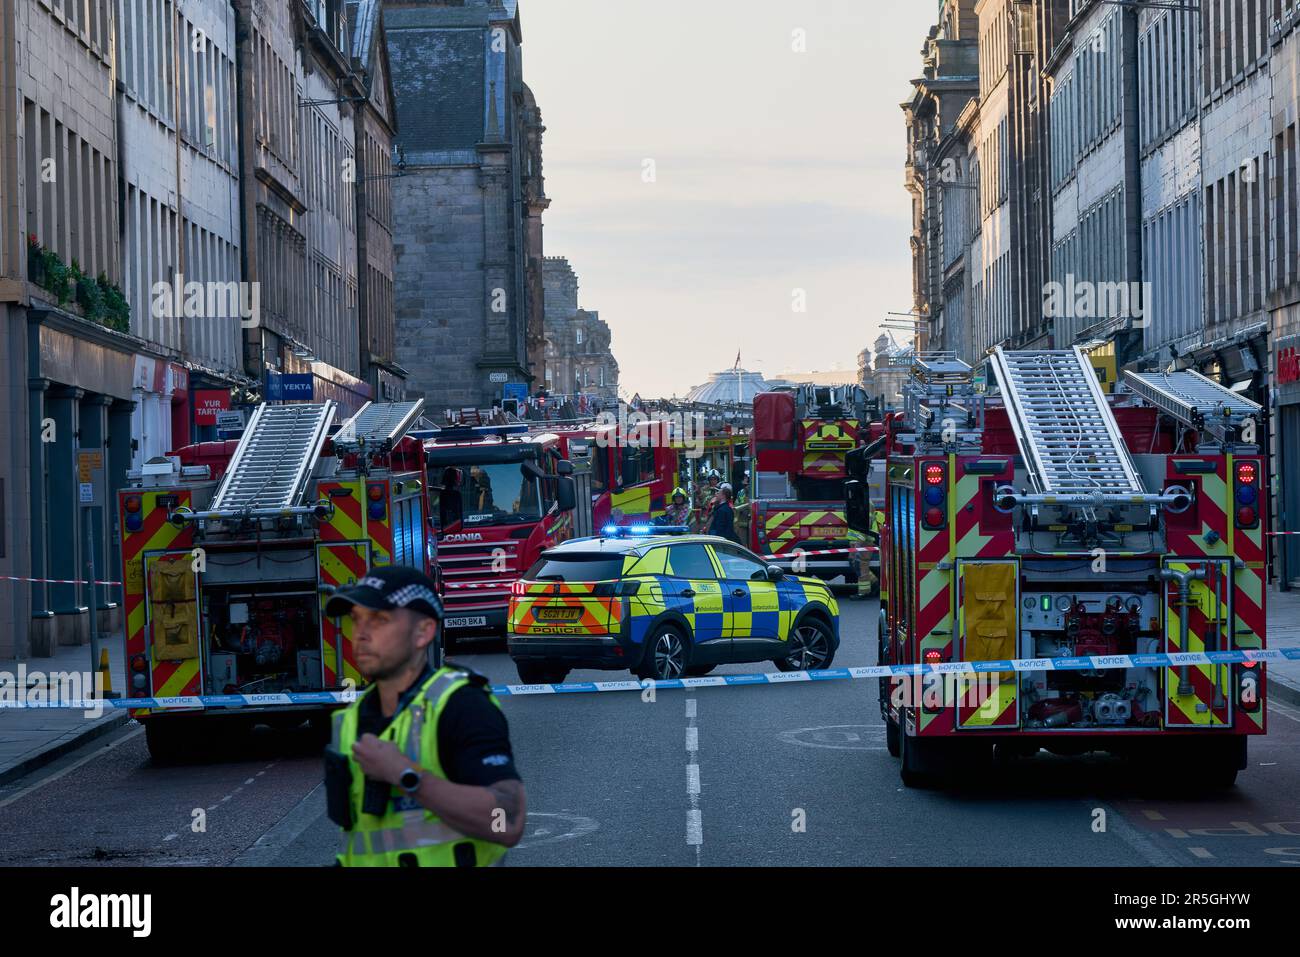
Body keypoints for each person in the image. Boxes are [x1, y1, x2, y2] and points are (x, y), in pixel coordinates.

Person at [322, 565, 526, 867]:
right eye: (356, 619)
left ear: (423, 632)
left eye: (379, 620)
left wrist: (407, 775)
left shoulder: (461, 704)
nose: (361, 634)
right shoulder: (352, 717)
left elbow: (506, 823)